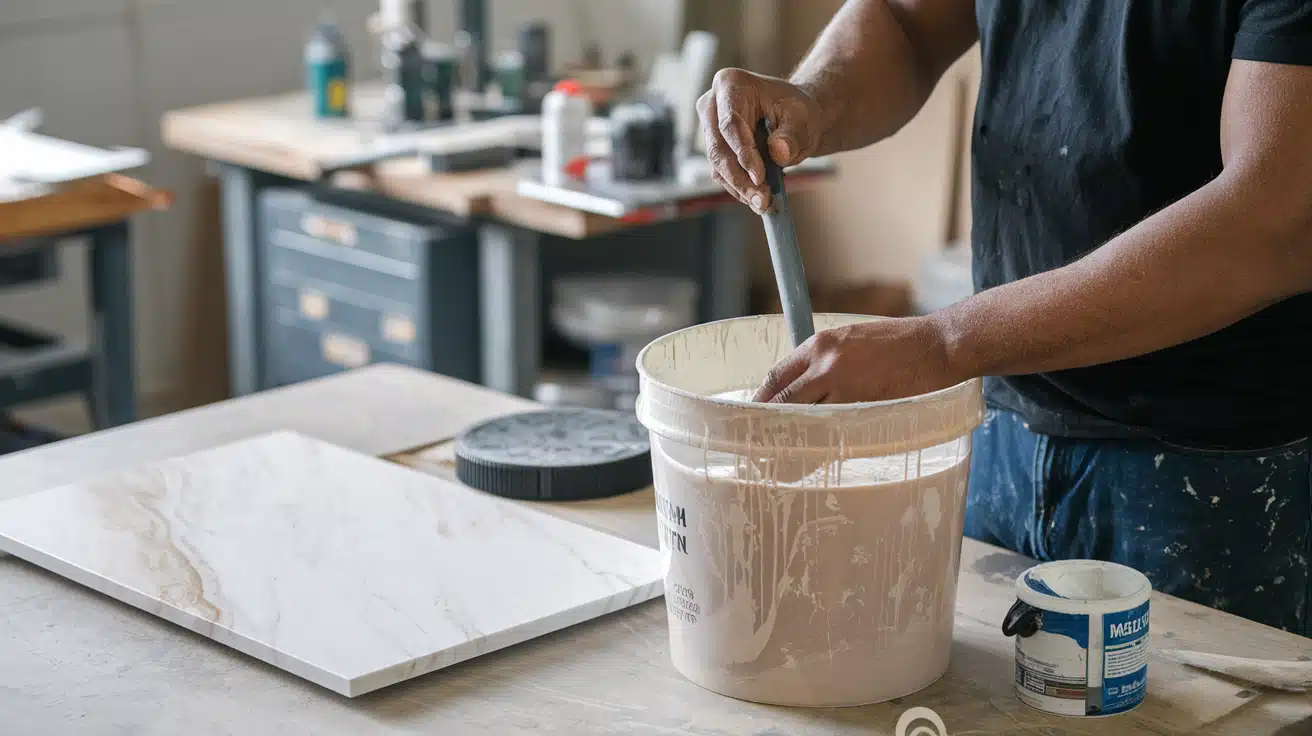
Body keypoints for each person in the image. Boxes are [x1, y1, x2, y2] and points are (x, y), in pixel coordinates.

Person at [698, 0, 1312, 635]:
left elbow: (1276, 224)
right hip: (999, 423)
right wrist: (815, 98)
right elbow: (907, 23)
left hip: (1211, 467)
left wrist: (942, 342)